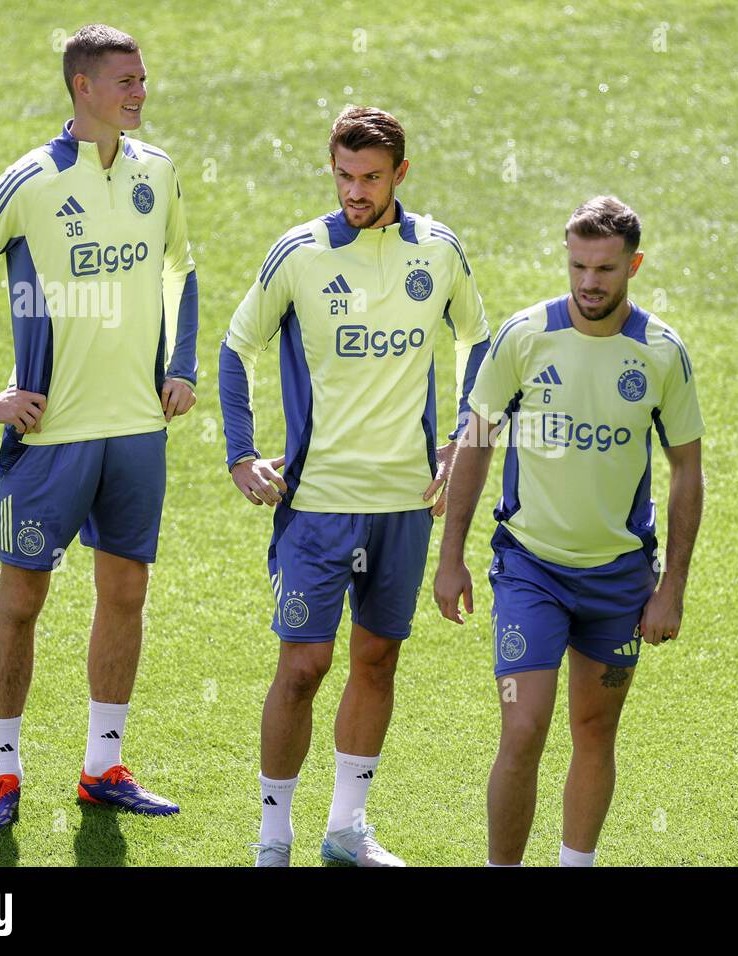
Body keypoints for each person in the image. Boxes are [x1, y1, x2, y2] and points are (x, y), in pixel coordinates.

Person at [0, 23, 198, 832]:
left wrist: (179, 364)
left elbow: (181, 267)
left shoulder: (159, 172)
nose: (141, 92)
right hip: (53, 437)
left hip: (138, 431)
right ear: (83, 88)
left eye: (143, 79)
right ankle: (2, 775)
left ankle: (102, 765)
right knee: (21, 601)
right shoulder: (32, 182)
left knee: (126, 593)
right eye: (127, 81)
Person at [219, 106, 490, 867]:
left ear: (400, 174)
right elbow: (237, 345)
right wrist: (241, 454)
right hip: (317, 507)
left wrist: (463, 438)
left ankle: (347, 828)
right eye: (343, 175)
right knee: (302, 668)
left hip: (405, 504)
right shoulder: (300, 254)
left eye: (370, 178)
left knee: (377, 661)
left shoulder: (437, 252)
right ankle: (274, 838)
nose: (355, 191)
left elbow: (480, 338)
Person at [434, 196, 704, 866]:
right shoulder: (525, 338)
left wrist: (672, 586)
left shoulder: (661, 353)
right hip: (532, 571)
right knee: (522, 729)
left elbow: (686, 470)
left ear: (633, 265)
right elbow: (475, 442)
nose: (589, 281)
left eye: (606, 268)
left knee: (594, 730)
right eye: (579, 265)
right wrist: (450, 558)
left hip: (618, 581)